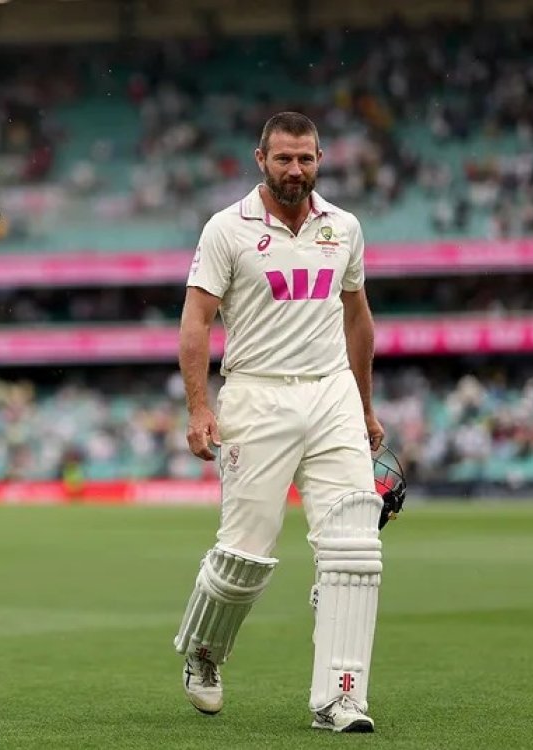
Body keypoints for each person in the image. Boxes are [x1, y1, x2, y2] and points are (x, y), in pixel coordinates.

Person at [173, 111, 388, 732]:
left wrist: (366, 406)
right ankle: (206, 652)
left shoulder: (343, 227)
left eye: (307, 159)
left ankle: (340, 698)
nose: (296, 170)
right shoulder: (226, 229)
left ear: (320, 160)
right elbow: (196, 323)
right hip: (256, 396)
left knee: (354, 549)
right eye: (284, 158)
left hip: (331, 395)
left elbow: (358, 319)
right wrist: (198, 406)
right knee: (245, 556)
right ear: (260, 158)